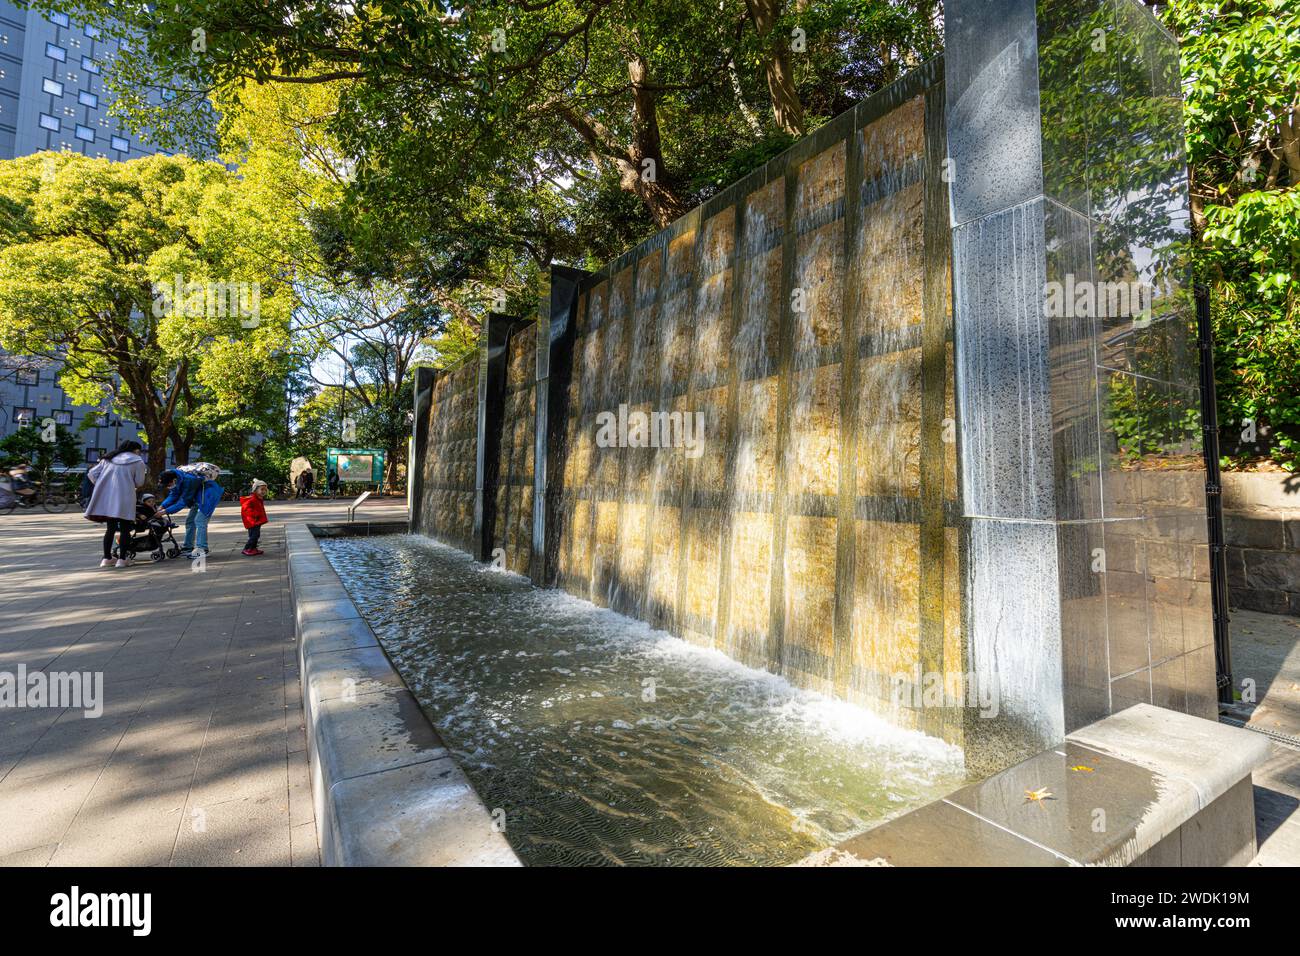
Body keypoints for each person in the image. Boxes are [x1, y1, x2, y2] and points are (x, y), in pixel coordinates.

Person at [83, 440, 147, 568]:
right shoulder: (138, 461)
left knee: (110, 528)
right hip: (125, 497)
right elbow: (139, 482)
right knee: (125, 528)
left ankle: (107, 558)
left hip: (108, 497)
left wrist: (102, 484)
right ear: (135, 450)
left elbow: (92, 473)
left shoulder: (109, 458)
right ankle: (122, 559)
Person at [157, 465, 224, 560]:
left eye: (168, 485)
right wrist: (162, 506)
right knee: (190, 521)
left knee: (200, 521)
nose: (168, 487)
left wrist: (165, 511)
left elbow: (183, 501)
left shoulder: (189, 480)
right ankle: (188, 547)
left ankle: (202, 549)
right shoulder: (175, 477)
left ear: (173, 480)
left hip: (208, 495)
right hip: (197, 496)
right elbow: (174, 494)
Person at [240, 479, 269, 556]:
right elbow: (246, 508)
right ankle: (247, 548)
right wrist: (255, 514)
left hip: (257, 520)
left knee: (256, 535)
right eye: (262, 489)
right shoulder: (252, 499)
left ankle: (253, 548)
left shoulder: (258, 499)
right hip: (252, 521)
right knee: (254, 535)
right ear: (255, 490)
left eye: (265, 490)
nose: (264, 491)